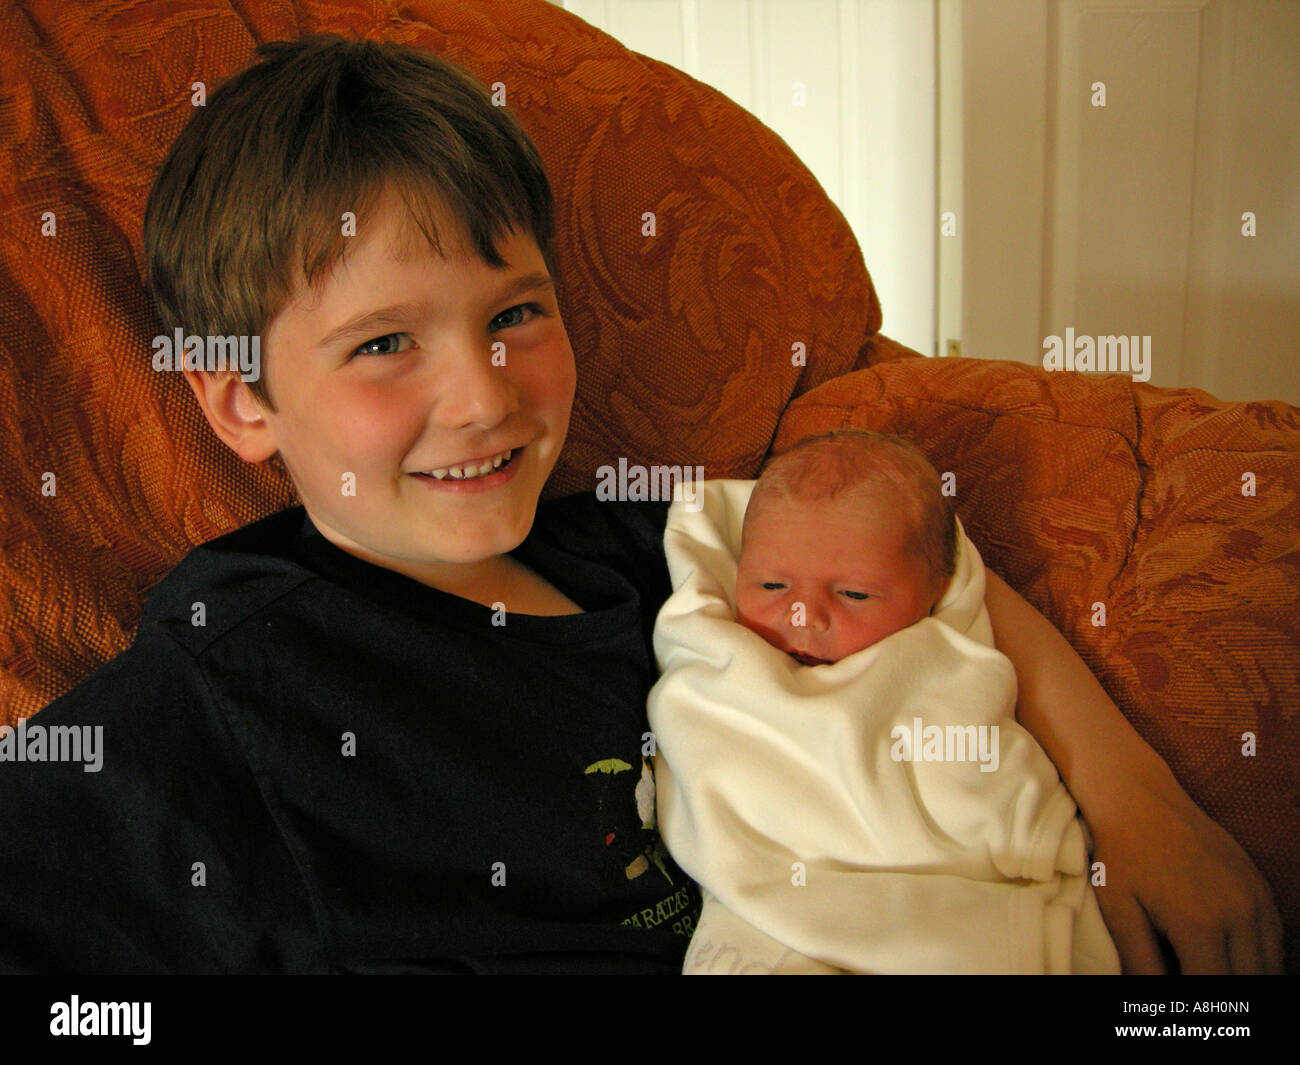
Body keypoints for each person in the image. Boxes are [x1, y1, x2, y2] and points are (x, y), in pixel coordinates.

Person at [0, 35, 1280, 975]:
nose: (483, 398)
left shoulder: (649, 539)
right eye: (385, 345)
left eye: (514, 315)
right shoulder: (239, 669)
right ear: (242, 405)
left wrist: (1140, 810)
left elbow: (935, 573)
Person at [649, 430, 1121, 972]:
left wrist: (1039, 837)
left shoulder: (936, 669)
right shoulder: (717, 653)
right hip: (765, 928)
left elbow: (986, 777)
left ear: (935, 593)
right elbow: (698, 741)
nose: (804, 615)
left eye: (852, 594)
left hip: (943, 925)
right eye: (772, 586)